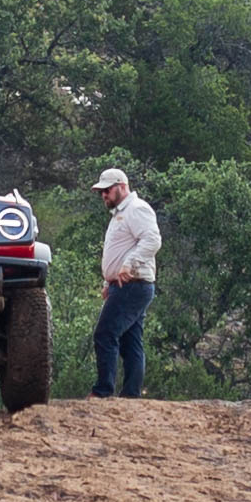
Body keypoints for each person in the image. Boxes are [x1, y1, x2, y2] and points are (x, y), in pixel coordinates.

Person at [89, 168, 161, 398]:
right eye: (101, 192)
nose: (104, 195)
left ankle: (103, 391)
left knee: (105, 334)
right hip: (125, 284)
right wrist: (107, 280)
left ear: (121, 186)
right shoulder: (121, 213)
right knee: (131, 342)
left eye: (107, 190)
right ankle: (130, 396)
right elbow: (118, 250)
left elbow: (153, 240)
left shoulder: (137, 209)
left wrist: (129, 264)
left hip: (133, 284)